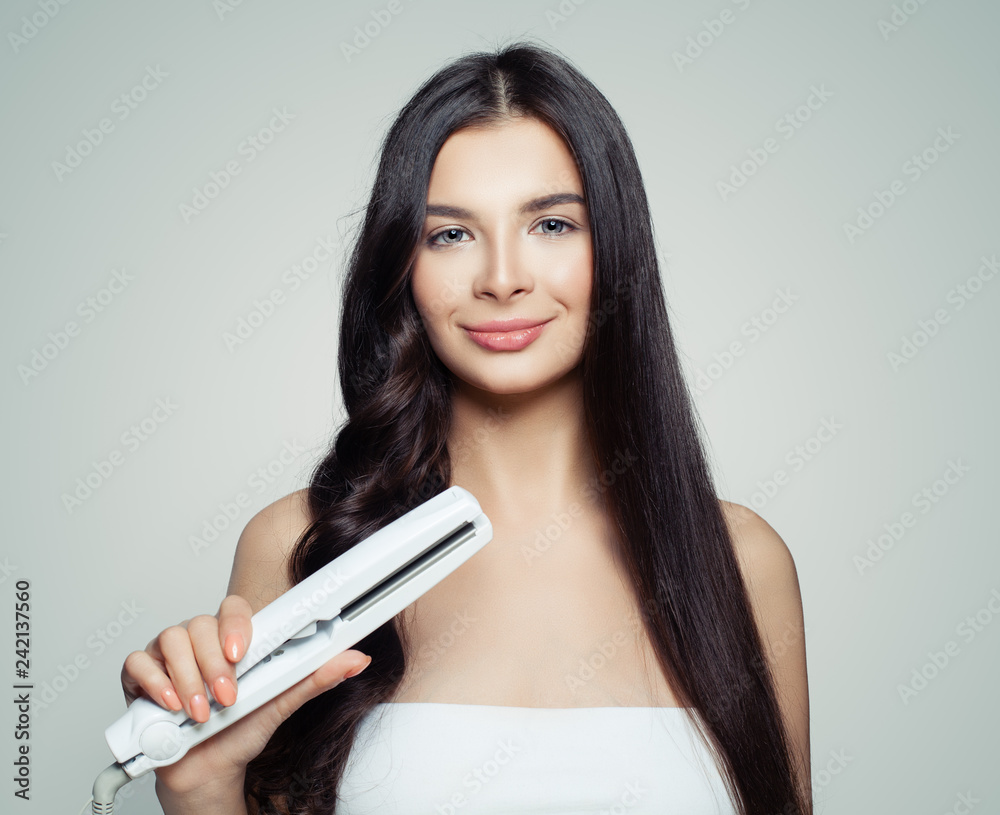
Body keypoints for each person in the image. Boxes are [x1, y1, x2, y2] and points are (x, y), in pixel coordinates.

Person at [120, 39, 811, 815]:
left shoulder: (743, 562)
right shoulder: (298, 547)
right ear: (401, 266)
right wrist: (202, 787)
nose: (502, 278)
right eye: (450, 234)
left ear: (617, 248)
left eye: (552, 224)